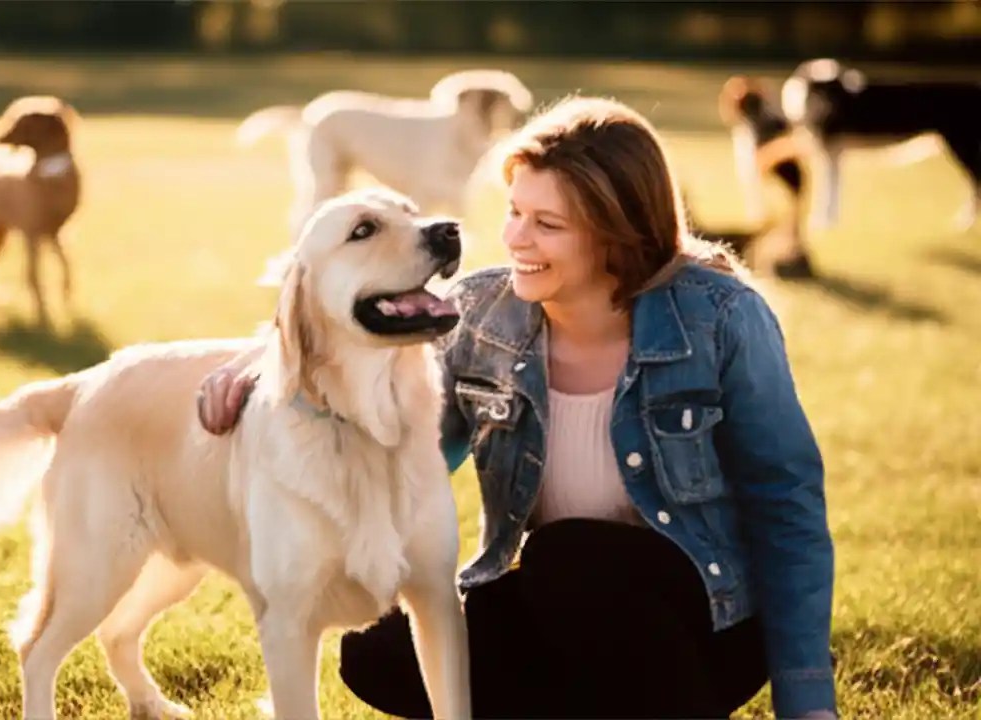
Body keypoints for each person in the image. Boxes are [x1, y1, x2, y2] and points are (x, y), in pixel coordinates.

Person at [197, 96, 837, 720]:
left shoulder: (721, 317)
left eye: (547, 224)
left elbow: (787, 502)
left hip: (705, 626)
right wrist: (255, 363)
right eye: (514, 211)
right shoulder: (483, 316)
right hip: (569, 614)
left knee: (570, 556)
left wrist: (807, 700)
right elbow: (375, 381)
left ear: (618, 236)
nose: (515, 239)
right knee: (379, 653)